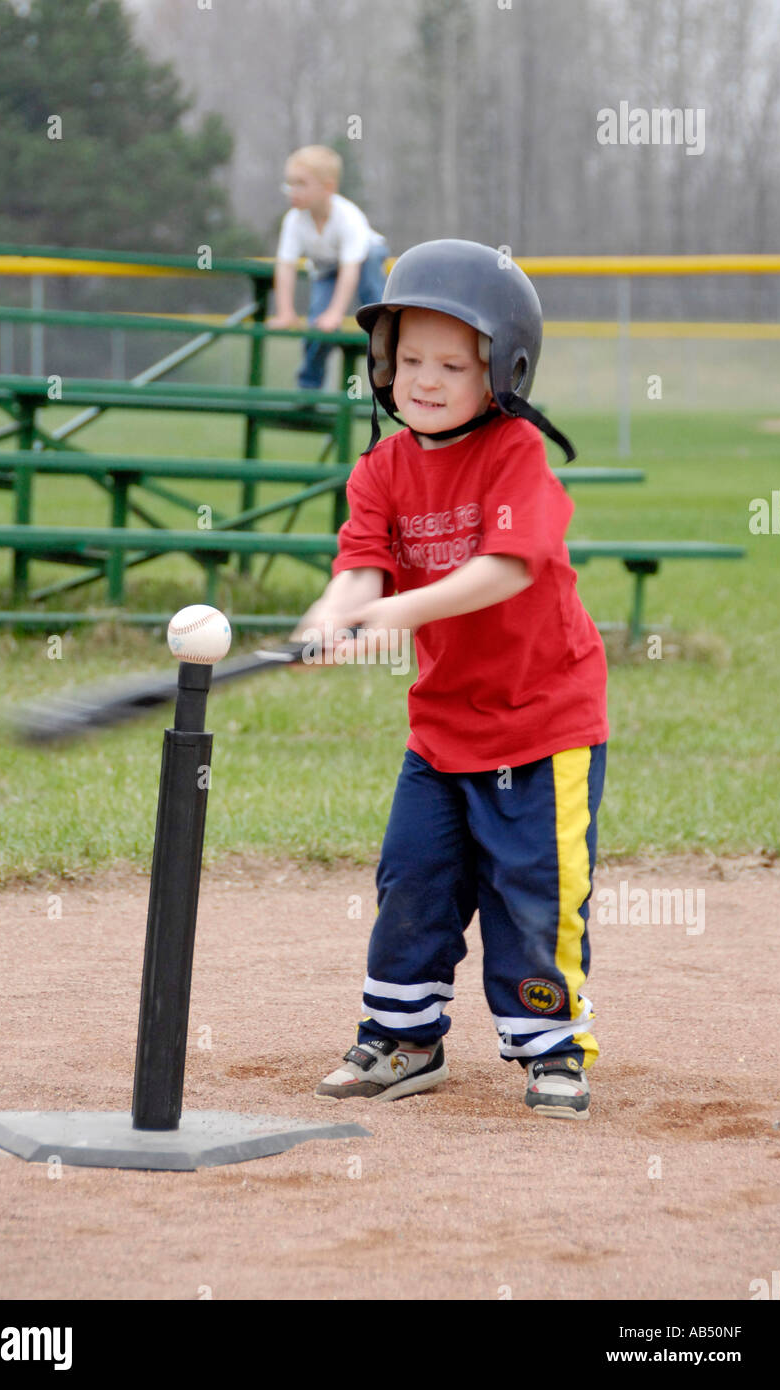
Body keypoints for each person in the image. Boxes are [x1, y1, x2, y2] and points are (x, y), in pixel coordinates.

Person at [293, 239, 609, 1120]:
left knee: (532, 891)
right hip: (443, 728)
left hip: (544, 725)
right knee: (414, 877)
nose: (424, 381)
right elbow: (360, 566)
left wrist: (390, 616)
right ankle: (403, 1037)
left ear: (501, 372)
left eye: (452, 364)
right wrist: (335, 609)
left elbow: (506, 569)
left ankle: (551, 1049)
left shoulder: (513, 454)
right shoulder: (383, 469)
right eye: (409, 360)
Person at [268, 145, 389, 391]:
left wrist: (336, 313)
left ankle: (383, 322)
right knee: (317, 329)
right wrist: (285, 311)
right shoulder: (294, 219)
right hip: (326, 271)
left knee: (371, 263)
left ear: (328, 188)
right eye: (290, 183)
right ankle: (309, 389)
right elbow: (285, 266)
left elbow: (350, 269)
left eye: (301, 183)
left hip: (361, 262)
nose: (293, 190)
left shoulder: (348, 217)